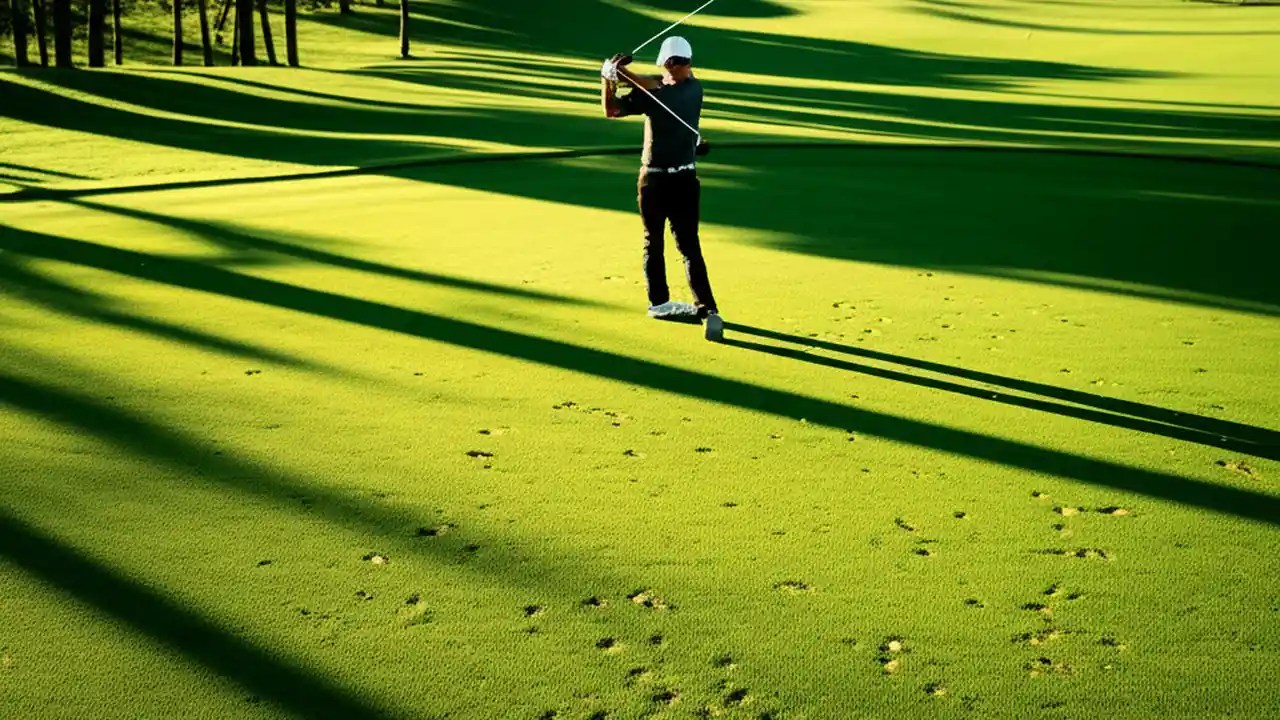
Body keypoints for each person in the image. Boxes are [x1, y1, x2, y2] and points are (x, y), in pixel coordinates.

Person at [600, 36, 724, 342]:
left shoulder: (662, 92)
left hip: (665, 180)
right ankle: (669, 304)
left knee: (679, 245)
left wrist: (613, 74)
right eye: (676, 62)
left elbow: (647, 89)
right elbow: (613, 110)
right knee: (663, 243)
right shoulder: (693, 87)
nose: (676, 67)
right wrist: (610, 82)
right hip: (666, 179)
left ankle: (703, 309)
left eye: (676, 63)